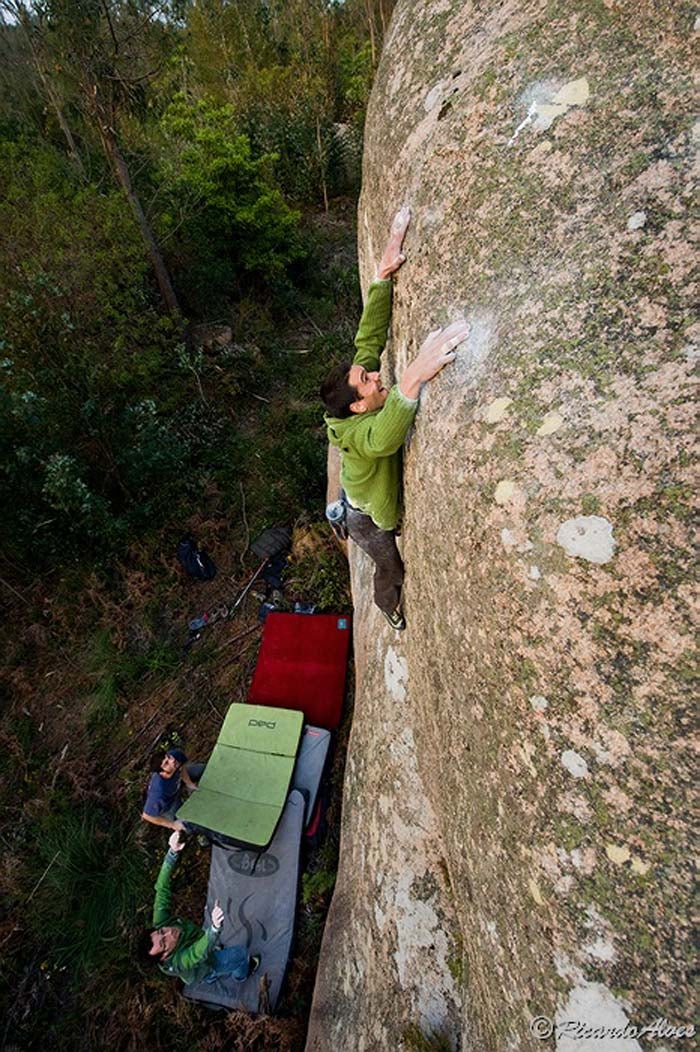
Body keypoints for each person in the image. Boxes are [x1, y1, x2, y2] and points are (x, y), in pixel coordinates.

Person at [320, 206, 469, 630]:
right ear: (357, 406)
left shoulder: (359, 400)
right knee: (390, 567)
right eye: (367, 381)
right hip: (366, 517)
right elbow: (384, 438)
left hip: (357, 490)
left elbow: (368, 341)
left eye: (367, 374)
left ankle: (338, 511)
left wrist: (382, 274)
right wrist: (416, 373)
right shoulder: (361, 434)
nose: (375, 375)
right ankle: (388, 607)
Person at [138, 831, 260, 985]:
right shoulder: (178, 962)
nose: (169, 932)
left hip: (199, 945)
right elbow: (196, 953)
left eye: (161, 931)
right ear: (164, 955)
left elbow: (162, 889)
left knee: (208, 947)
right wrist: (215, 928)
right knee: (240, 954)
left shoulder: (161, 922)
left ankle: (211, 975)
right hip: (204, 965)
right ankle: (241, 975)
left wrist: (172, 853)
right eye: (164, 942)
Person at [141, 746, 204, 833]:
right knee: (187, 824)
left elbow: (181, 765)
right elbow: (147, 815)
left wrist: (188, 783)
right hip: (169, 803)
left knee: (202, 769)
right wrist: (172, 824)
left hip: (178, 780)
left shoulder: (175, 755)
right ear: (162, 772)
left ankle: (186, 786)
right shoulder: (159, 791)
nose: (172, 760)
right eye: (166, 763)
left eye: (169, 757)